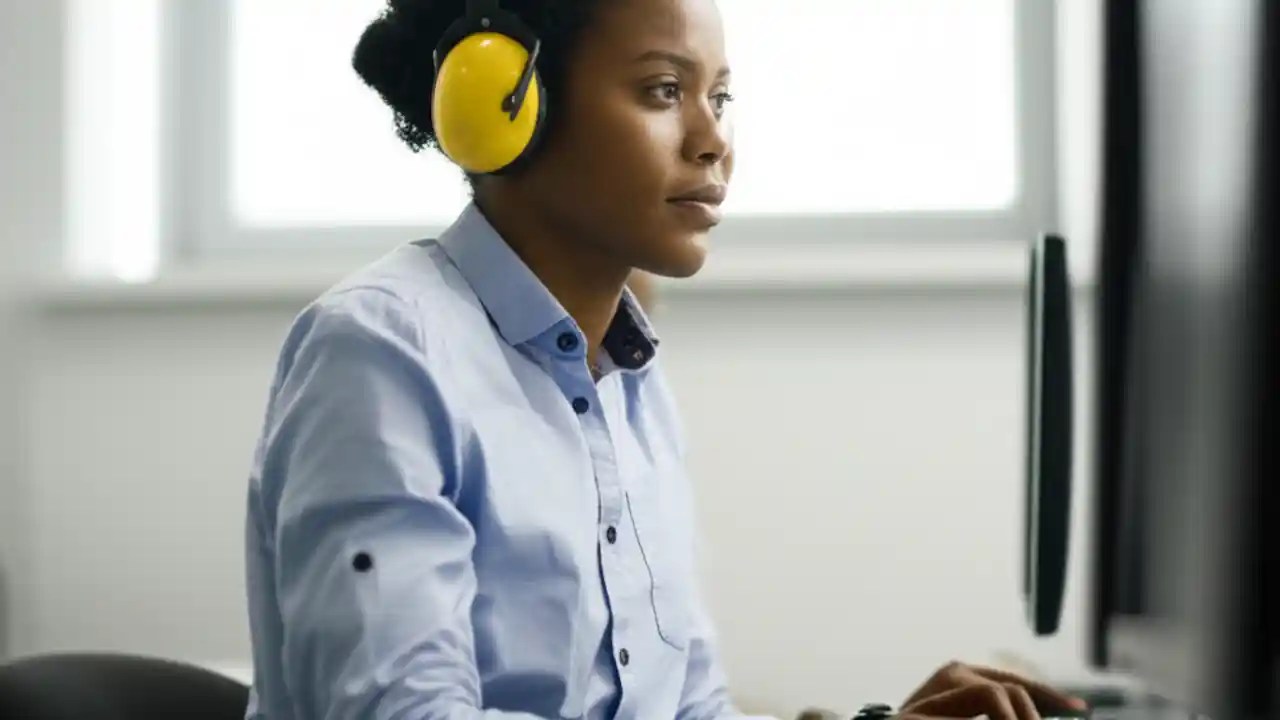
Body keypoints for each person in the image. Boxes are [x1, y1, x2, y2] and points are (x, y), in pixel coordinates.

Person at [240, 0, 1092, 718]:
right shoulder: (382, 354)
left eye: (720, 98)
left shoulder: (633, 388)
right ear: (507, 105)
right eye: (663, 90)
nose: (712, 140)